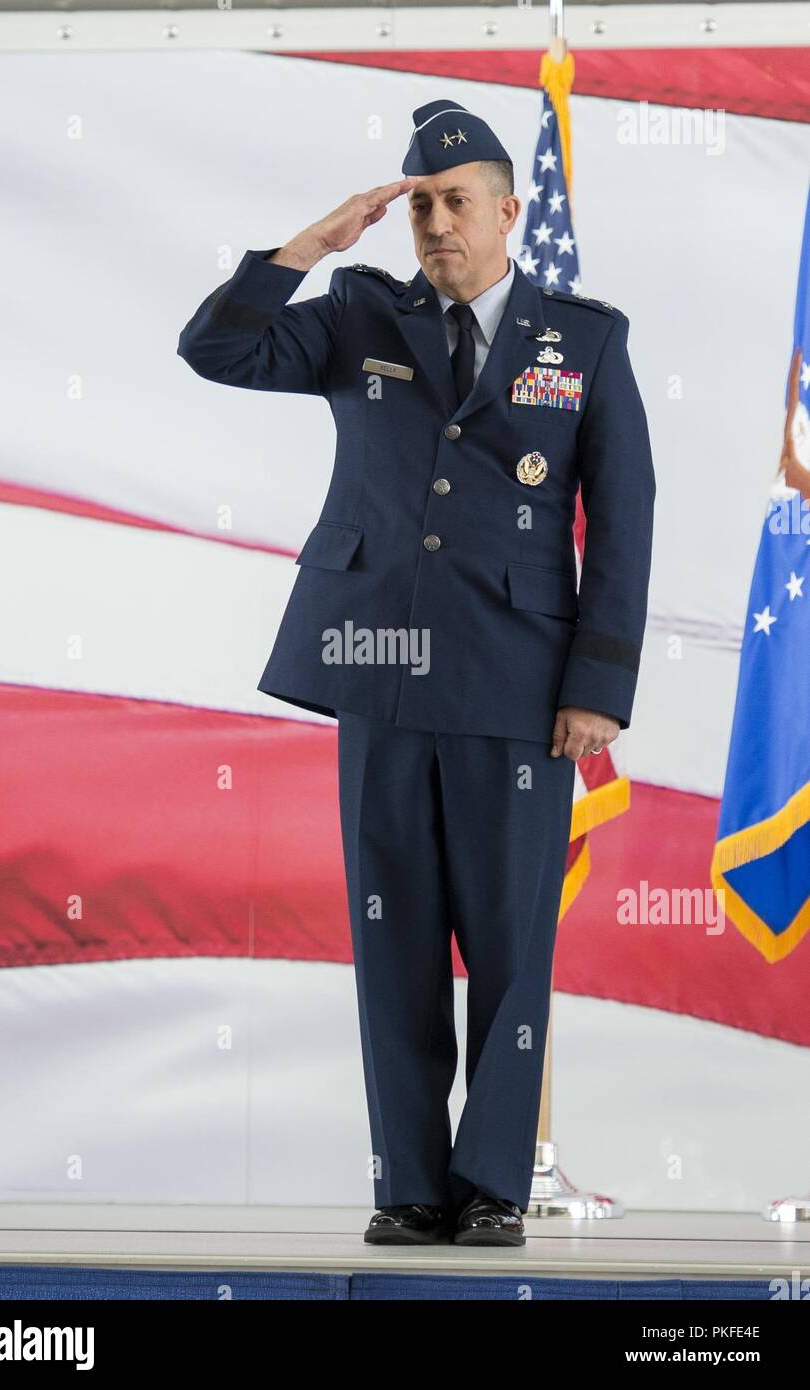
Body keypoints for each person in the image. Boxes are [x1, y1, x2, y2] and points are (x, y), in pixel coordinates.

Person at [178, 97, 655, 1247]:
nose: (437, 222)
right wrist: (311, 246)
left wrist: (599, 681)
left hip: (517, 681)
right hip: (377, 666)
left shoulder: (581, 337)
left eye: (457, 202)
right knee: (392, 934)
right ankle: (409, 1181)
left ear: (508, 210)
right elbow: (215, 348)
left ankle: (492, 1180)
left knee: (509, 941)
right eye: (421, 205)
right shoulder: (355, 313)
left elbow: (624, 510)